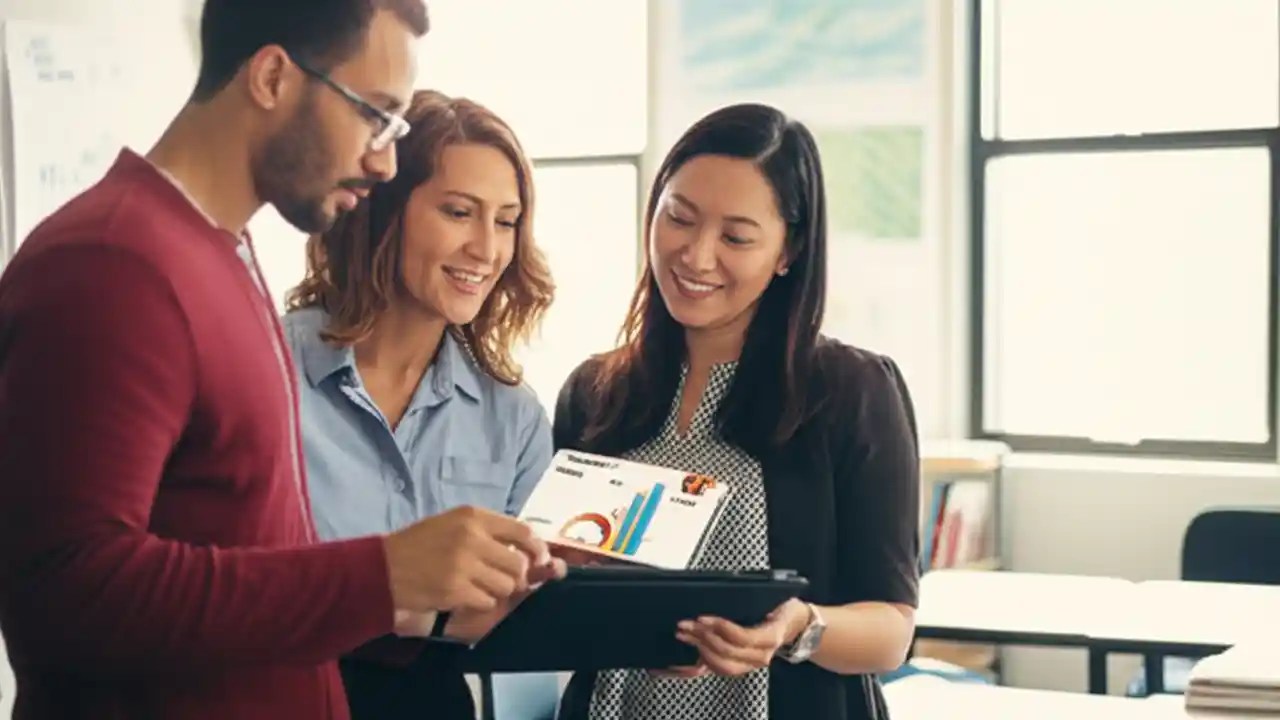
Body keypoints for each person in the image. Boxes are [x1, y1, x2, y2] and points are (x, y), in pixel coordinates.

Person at [0, 3, 561, 719]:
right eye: (374, 115)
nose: (385, 158)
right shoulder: (112, 264)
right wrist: (383, 576)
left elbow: (263, 583)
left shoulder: (224, 256)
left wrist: (421, 606)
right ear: (271, 77)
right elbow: (64, 595)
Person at [552, 103, 920, 720]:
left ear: (787, 251)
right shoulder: (595, 391)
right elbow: (561, 598)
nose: (696, 256)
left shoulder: (851, 391)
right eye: (679, 218)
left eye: (736, 238)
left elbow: (891, 631)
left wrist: (797, 629)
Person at [282, 88, 555, 719]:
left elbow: (527, 613)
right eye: (459, 212)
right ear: (385, 210)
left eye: (506, 221)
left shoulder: (511, 417)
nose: (486, 250)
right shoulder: (268, 367)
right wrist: (426, 608)